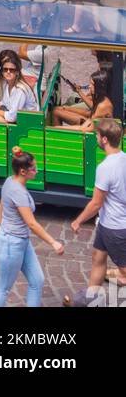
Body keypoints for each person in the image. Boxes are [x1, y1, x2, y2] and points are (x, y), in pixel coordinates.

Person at [0, 148, 64, 307]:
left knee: (37, 280)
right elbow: (31, 223)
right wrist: (53, 242)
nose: (36, 171)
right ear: (23, 171)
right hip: (11, 245)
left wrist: (0, 224)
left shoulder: (10, 180)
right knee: (3, 289)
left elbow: (3, 202)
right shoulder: (18, 192)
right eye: (33, 169)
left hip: (20, 241)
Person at [65, 119, 126, 304]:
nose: (96, 138)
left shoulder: (105, 168)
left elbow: (96, 204)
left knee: (124, 271)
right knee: (98, 258)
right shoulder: (124, 158)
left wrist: (78, 221)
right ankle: (90, 300)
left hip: (115, 227)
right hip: (108, 224)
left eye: (98, 135)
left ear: (105, 140)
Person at [0, 57, 37, 123]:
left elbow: (12, 117)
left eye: (11, 70)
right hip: (13, 115)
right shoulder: (8, 83)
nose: (8, 72)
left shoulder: (20, 90)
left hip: (24, 123)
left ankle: (9, 133)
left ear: (17, 72)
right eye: (5, 69)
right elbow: (5, 104)